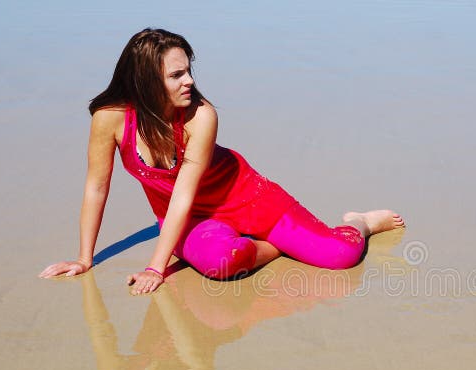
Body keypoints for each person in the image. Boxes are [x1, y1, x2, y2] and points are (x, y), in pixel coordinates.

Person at [39, 28, 404, 295]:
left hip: (248, 198)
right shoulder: (110, 118)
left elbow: (183, 190)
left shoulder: (202, 116)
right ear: (146, 80)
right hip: (192, 219)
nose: (190, 81)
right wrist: (84, 258)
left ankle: (360, 221)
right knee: (223, 263)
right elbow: (97, 186)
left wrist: (156, 267)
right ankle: (276, 246)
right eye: (177, 75)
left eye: (189, 70)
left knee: (339, 256)